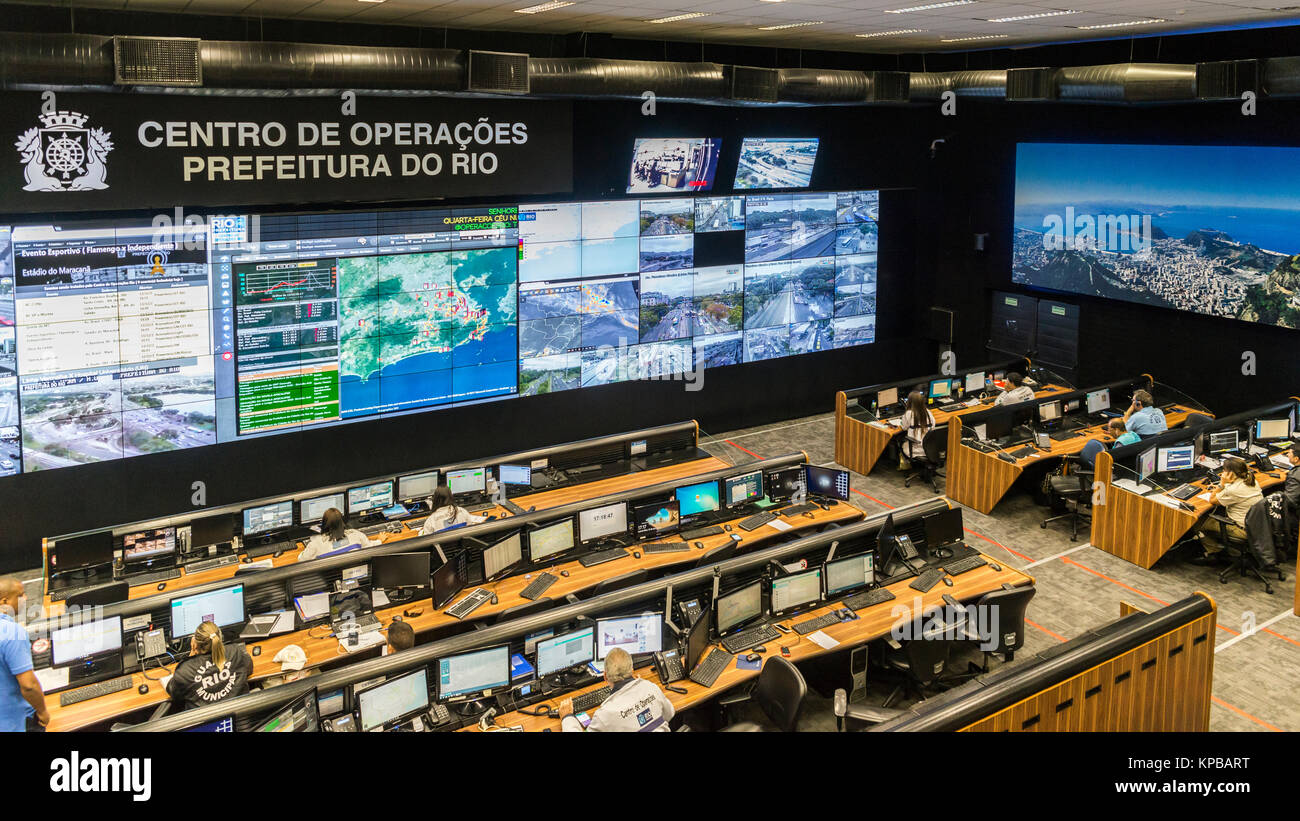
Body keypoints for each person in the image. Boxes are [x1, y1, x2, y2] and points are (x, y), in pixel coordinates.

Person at [559, 647, 675, 732]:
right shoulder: (651, 687)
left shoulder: (605, 715)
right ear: (632, 671)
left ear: (605, 676)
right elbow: (669, 713)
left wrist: (567, 717)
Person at [1190, 456, 1263, 565]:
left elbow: (1212, 500)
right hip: (1258, 526)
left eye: (1224, 471)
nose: (1223, 473)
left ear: (1231, 474)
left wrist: (1221, 484)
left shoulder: (1233, 490)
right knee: (1216, 512)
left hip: (1242, 530)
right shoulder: (1251, 481)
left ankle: (1214, 553)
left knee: (1198, 520)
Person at [166, 621, 254, 710]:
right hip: (241, 717)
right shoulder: (235, 651)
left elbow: (173, 691)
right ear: (220, 638)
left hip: (207, 723)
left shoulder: (185, 670)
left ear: (195, 644)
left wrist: (190, 657)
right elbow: (249, 668)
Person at [0, 577, 47, 732]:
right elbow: (28, 686)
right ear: (4, 601)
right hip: (17, 724)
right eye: (20, 595)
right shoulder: (12, 633)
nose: (26, 598)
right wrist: (42, 711)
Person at [299, 507, 379, 561]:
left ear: (324, 523)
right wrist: (379, 541)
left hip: (328, 580)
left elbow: (301, 559)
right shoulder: (356, 534)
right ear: (342, 522)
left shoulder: (316, 544)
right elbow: (368, 547)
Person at [419, 485, 487, 535]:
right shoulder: (462, 511)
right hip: (460, 548)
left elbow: (426, 539)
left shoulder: (431, 520)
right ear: (451, 496)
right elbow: (470, 528)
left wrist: (421, 532)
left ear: (435, 500)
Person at [897, 390, 936, 462]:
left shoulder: (909, 413)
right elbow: (933, 426)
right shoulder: (928, 411)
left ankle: (906, 464)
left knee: (900, 442)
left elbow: (904, 427)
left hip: (917, 449)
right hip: (930, 448)